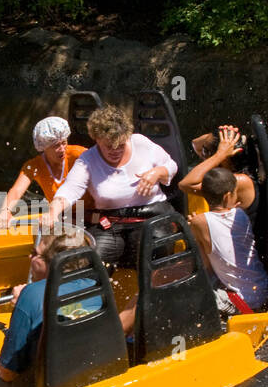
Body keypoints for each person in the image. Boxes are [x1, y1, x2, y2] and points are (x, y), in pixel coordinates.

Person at [42, 104, 178, 270]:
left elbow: (171, 165)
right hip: (112, 223)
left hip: (151, 215)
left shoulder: (140, 143)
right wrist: (53, 212)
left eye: (121, 145)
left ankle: (154, 292)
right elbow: (69, 190)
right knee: (92, 260)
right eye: (109, 146)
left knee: (152, 247)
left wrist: (157, 173)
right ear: (97, 139)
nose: (115, 150)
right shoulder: (87, 160)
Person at [0, 225, 92, 387]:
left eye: (35, 254)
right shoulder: (96, 285)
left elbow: (7, 373)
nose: (29, 259)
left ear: (51, 262)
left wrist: (21, 306)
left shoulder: (31, 296)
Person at [188, 167, 268, 315]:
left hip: (242, 302)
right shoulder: (241, 214)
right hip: (263, 288)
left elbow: (205, 267)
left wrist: (192, 229)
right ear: (228, 196)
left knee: (190, 289)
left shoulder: (199, 222)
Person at [0, 116, 87, 228]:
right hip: (61, 218)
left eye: (64, 143)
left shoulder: (80, 155)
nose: (62, 149)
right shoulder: (34, 166)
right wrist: (5, 211)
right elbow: (16, 190)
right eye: (56, 145)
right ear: (44, 147)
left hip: (92, 218)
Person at [181, 124, 257, 217]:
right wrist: (222, 132)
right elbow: (195, 143)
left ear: (224, 158)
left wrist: (220, 154)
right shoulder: (230, 170)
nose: (201, 152)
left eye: (205, 150)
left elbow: (185, 184)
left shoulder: (239, 181)